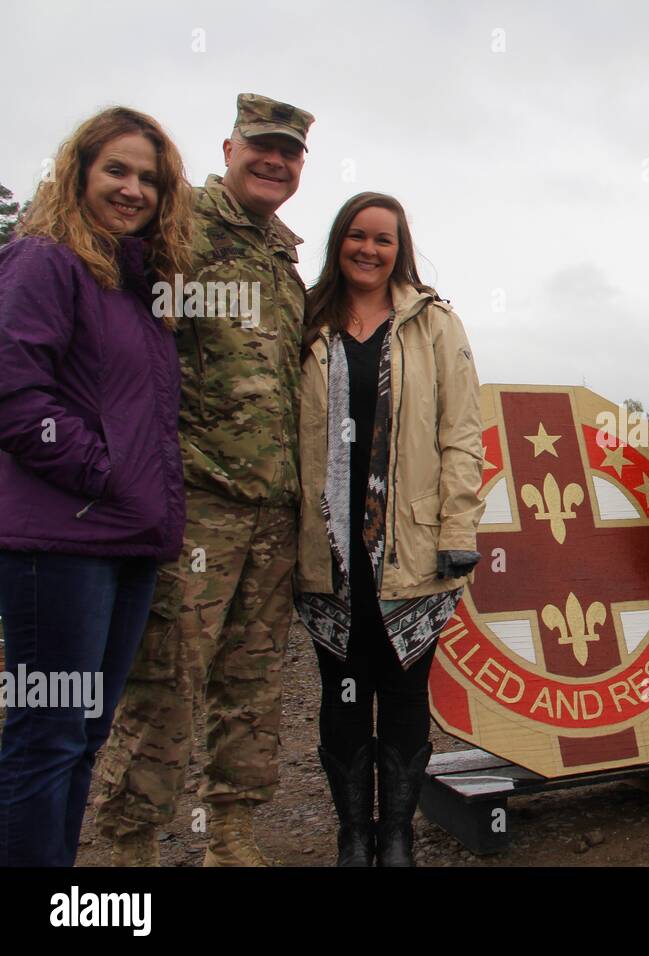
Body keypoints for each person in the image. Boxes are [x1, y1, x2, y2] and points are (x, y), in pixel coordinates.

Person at [95, 93, 315, 866]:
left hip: (274, 509)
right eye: (262, 146)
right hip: (196, 502)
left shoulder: (285, 256)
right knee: (166, 679)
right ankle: (127, 847)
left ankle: (231, 834)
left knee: (252, 686)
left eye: (290, 153)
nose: (275, 162)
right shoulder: (177, 227)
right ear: (229, 146)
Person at [0, 107, 190, 866]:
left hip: (127, 539)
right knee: (45, 736)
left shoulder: (137, 285)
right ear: (79, 171)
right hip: (59, 542)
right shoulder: (43, 260)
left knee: (82, 734)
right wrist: (101, 472)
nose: (132, 188)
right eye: (116, 169)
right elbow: (15, 394)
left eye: (147, 177)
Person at [296, 193, 484, 867]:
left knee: (404, 688)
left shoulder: (434, 324)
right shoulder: (306, 321)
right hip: (328, 546)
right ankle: (353, 835)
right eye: (357, 236)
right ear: (338, 242)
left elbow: (462, 432)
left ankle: (398, 836)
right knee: (342, 688)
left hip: (411, 544)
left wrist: (458, 524)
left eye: (383, 239)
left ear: (400, 247)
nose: (369, 250)